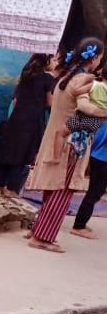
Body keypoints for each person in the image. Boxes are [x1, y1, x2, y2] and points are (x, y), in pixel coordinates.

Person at [26, 37, 104, 252]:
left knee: (52, 187)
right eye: (100, 58)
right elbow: (85, 108)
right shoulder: (84, 80)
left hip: (56, 137)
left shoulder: (66, 76)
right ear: (94, 58)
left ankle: (38, 229)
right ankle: (43, 237)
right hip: (72, 144)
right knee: (63, 190)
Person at [0, 53, 57, 196]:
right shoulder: (47, 78)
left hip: (16, 118)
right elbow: (50, 103)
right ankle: (11, 189)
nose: (56, 63)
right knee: (23, 154)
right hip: (32, 121)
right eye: (54, 59)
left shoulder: (26, 75)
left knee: (10, 150)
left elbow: (16, 99)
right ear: (46, 61)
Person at [69, 66, 107, 239]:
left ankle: (81, 222)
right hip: (101, 156)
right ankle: (79, 225)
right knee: (95, 191)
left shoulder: (96, 89)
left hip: (97, 152)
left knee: (96, 190)